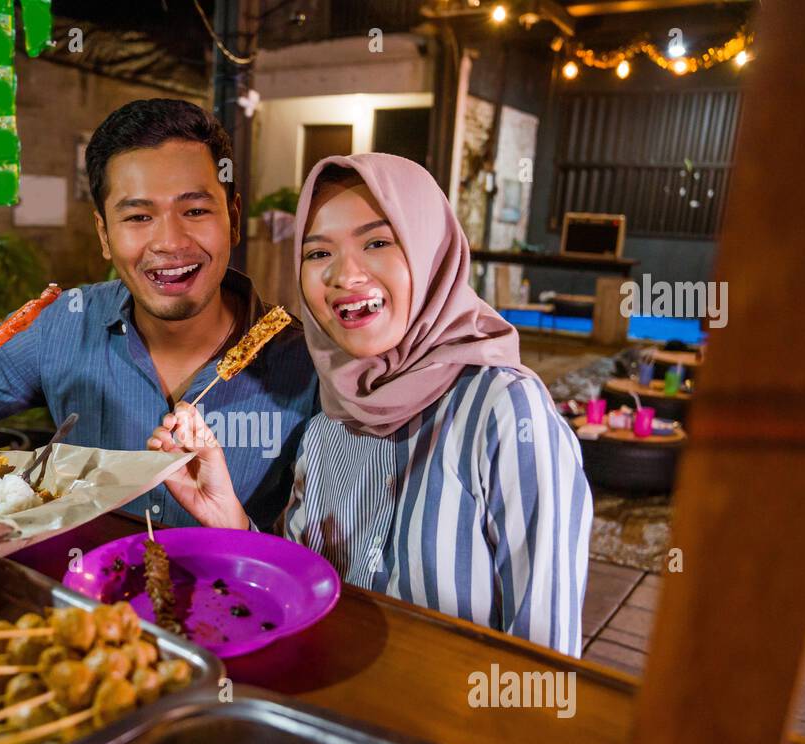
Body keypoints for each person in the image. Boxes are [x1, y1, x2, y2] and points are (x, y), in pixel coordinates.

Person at [147, 153, 591, 655]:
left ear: (430, 253)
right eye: (317, 254)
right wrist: (230, 517)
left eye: (377, 242)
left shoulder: (506, 411)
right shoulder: (327, 426)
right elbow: (298, 599)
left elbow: (548, 666)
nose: (345, 275)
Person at [0, 98, 316, 530]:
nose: (170, 242)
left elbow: (331, 555)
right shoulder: (62, 322)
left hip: (236, 602)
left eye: (195, 210)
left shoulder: (310, 367)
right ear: (104, 233)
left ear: (233, 218)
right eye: (138, 217)